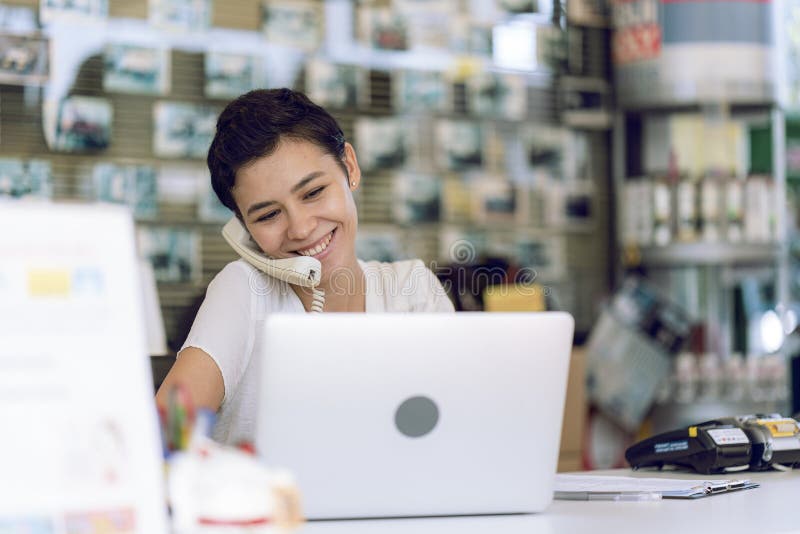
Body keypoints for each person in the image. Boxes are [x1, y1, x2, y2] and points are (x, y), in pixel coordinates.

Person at [156, 88, 454, 445]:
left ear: (350, 167)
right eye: (268, 215)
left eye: (313, 192)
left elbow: (455, 430)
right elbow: (161, 436)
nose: (300, 228)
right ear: (244, 228)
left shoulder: (413, 291)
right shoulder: (244, 290)